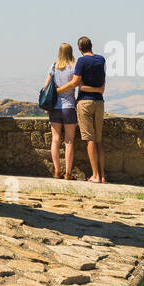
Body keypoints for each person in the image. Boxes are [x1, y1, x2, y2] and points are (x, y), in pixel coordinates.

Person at [74, 35, 106, 183]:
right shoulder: (101, 60)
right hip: (99, 103)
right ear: (91, 45)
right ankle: (103, 175)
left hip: (85, 102)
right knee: (98, 140)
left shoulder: (81, 61)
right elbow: (102, 87)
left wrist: (82, 87)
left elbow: (76, 82)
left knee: (90, 140)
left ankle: (95, 175)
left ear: (80, 49)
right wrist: (96, 89)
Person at [46, 42, 78, 179]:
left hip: (55, 108)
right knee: (69, 141)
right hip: (69, 106)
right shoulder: (75, 67)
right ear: (71, 52)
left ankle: (57, 171)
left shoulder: (53, 67)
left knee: (55, 140)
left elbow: (46, 86)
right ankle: (68, 173)